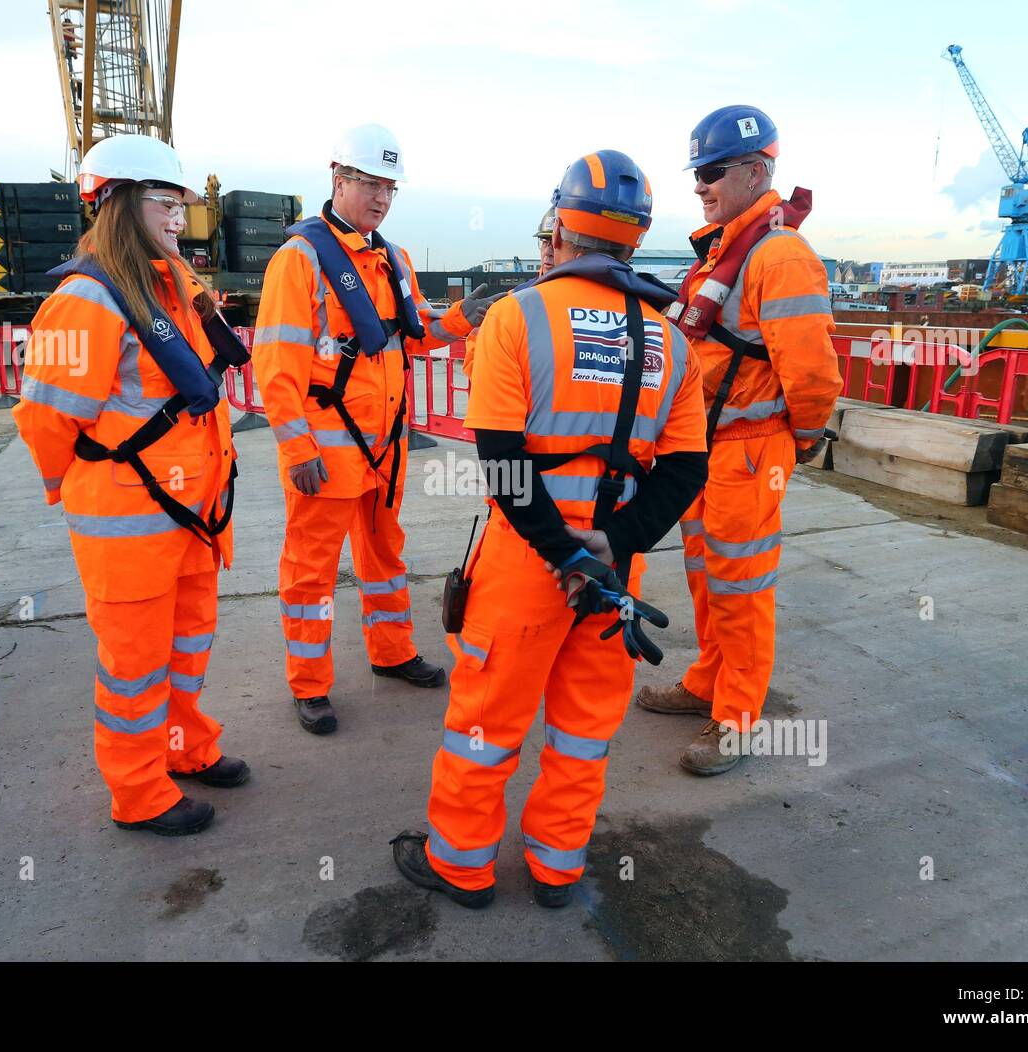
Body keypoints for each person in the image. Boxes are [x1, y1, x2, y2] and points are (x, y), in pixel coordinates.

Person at [392, 150, 709, 909]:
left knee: (487, 720)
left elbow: (502, 461)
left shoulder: (517, 315)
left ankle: (462, 865)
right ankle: (557, 866)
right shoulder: (672, 340)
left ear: (559, 227)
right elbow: (687, 468)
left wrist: (562, 551)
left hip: (528, 560)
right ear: (634, 240)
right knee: (584, 727)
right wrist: (615, 545)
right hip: (610, 570)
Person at [14, 134, 250, 836]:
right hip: (129, 523)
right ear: (117, 204)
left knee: (186, 647)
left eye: (183, 204)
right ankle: (139, 793)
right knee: (135, 668)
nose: (180, 219)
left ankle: (184, 748)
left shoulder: (173, 286)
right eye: (164, 203)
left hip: (193, 516)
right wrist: (79, 488)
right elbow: (44, 418)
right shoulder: (82, 301)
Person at [253, 123, 504, 736]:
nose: (381, 198)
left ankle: (392, 653)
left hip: (384, 447)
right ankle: (309, 687)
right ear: (337, 179)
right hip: (326, 450)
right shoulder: (300, 259)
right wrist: (295, 445)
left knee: (386, 557)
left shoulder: (393, 258)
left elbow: (414, 333)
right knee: (311, 572)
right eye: (369, 183)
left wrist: (461, 321)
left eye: (389, 187)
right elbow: (275, 362)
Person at [634, 105, 841, 775]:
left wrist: (799, 439)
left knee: (741, 586)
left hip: (751, 449)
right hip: (707, 450)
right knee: (707, 578)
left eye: (712, 171)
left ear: (756, 171)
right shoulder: (731, 247)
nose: (700, 185)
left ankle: (739, 716)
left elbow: (811, 373)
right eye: (697, 173)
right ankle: (707, 682)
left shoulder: (779, 256)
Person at [461, 204, 556, 380]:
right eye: (544, 242)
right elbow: (476, 348)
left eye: (556, 243)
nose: (548, 252)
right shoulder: (515, 298)